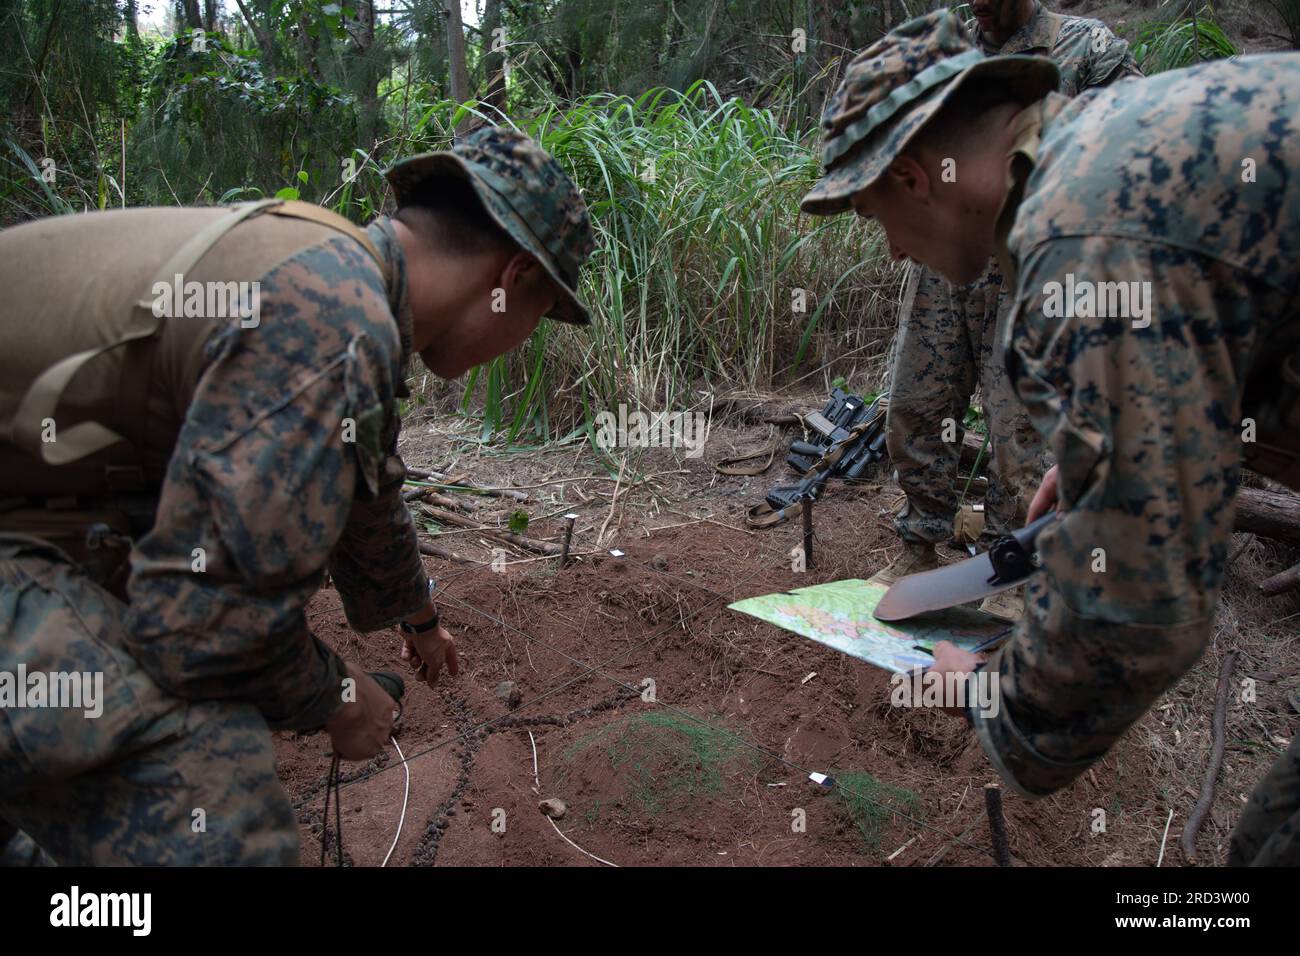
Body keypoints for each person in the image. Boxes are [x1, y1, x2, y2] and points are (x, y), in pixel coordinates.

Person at [0, 126, 594, 864]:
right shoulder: (336, 320)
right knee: (215, 801)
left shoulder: (333, 269)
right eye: (541, 318)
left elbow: (367, 493)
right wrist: (338, 697)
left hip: (39, 522)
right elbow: (203, 627)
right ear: (515, 279)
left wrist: (420, 619)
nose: (525, 338)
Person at [802, 11, 1299, 864]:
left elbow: (1145, 606)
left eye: (872, 212)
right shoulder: (1103, 154)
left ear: (916, 179)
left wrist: (994, 693)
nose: (888, 250)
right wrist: (1110, 471)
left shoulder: (1083, 237)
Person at [872, 0, 1140, 623]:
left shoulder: (1088, 50)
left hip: (1029, 273)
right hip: (946, 263)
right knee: (915, 403)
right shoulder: (948, 52)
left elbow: (1125, 157)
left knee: (1020, 430)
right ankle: (919, 540)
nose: (979, 7)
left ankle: (1011, 569)